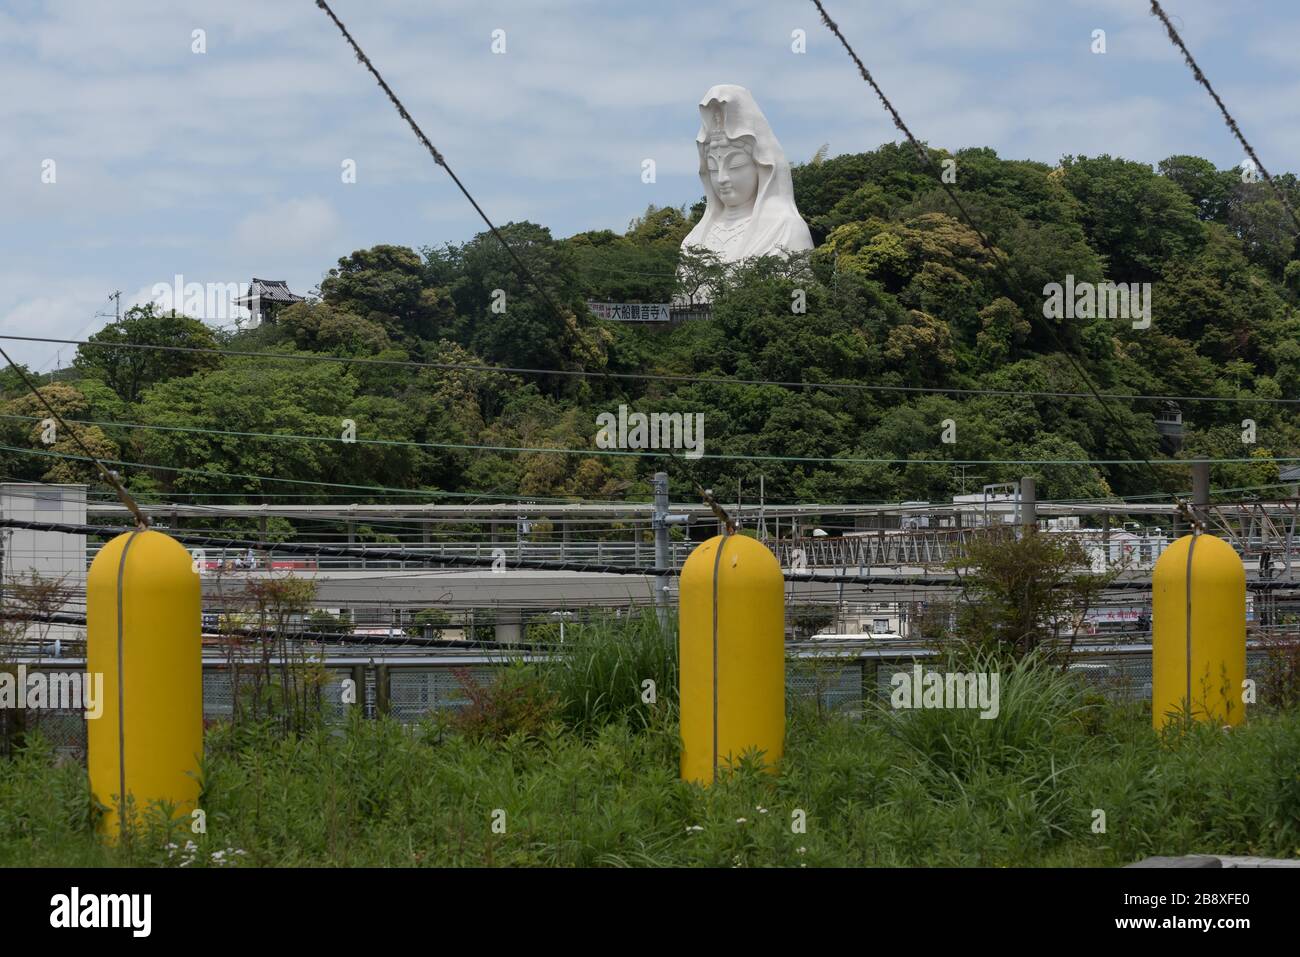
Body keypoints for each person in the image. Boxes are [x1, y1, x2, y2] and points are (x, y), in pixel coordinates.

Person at [679, 85, 813, 277]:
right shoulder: (692, 241)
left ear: (761, 165)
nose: (723, 179)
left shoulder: (786, 228)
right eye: (714, 169)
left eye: (735, 166)